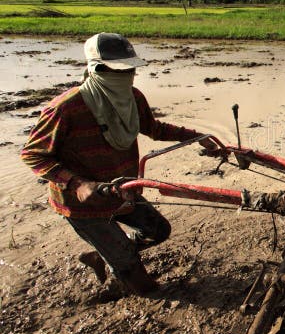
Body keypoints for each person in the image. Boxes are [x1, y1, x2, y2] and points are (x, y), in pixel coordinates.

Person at [21, 33, 219, 295]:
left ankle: (104, 256)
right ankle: (125, 274)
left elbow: (152, 127)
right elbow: (33, 154)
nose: (125, 76)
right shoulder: (66, 108)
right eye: (116, 70)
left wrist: (193, 136)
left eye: (129, 69)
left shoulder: (132, 97)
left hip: (122, 189)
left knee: (158, 230)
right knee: (136, 276)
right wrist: (77, 184)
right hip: (84, 203)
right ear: (96, 68)